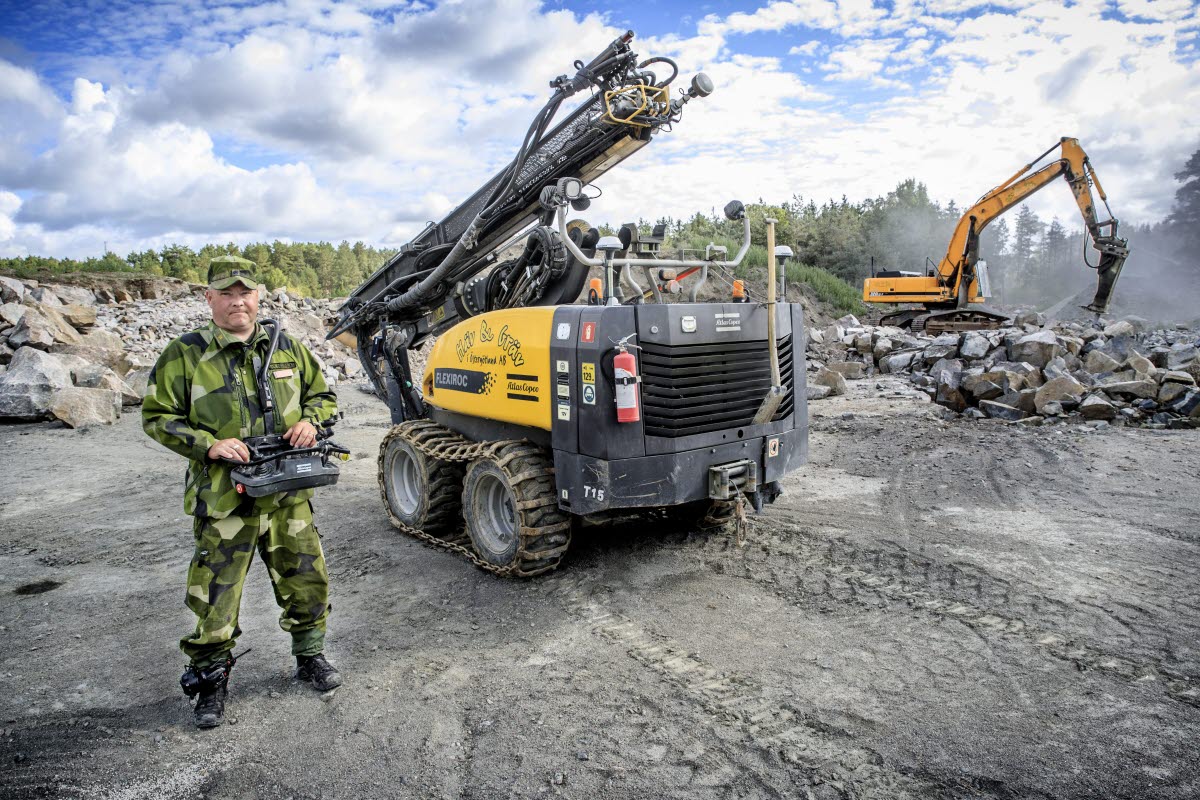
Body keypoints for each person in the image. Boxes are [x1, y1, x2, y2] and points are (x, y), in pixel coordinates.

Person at [142, 255, 343, 729]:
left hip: (286, 494)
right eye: (226, 294)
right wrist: (208, 445)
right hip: (224, 497)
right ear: (208, 298)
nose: (238, 302)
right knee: (215, 596)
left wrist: (310, 423)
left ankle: (309, 656)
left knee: (306, 581)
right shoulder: (185, 354)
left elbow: (324, 397)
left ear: (258, 297)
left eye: (245, 293)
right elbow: (158, 416)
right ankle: (211, 682)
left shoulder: (287, 348)